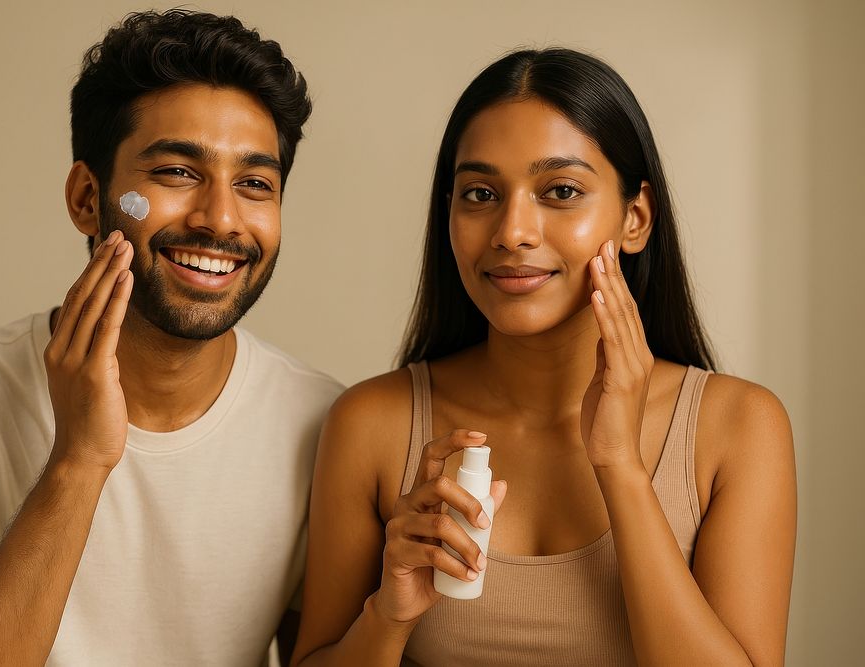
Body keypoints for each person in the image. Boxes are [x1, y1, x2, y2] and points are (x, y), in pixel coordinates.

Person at [0, 10, 343, 666]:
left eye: (255, 184)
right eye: (178, 172)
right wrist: (78, 461)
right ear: (88, 197)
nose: (221, 219)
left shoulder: (323, 425)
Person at [291, 48, 796, 666]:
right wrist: (389, 615)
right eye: (479, 193)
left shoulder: (738, 426)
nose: (511, 231)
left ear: (635, 218)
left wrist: (621, 467)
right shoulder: (371, 423)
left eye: (560, 191)